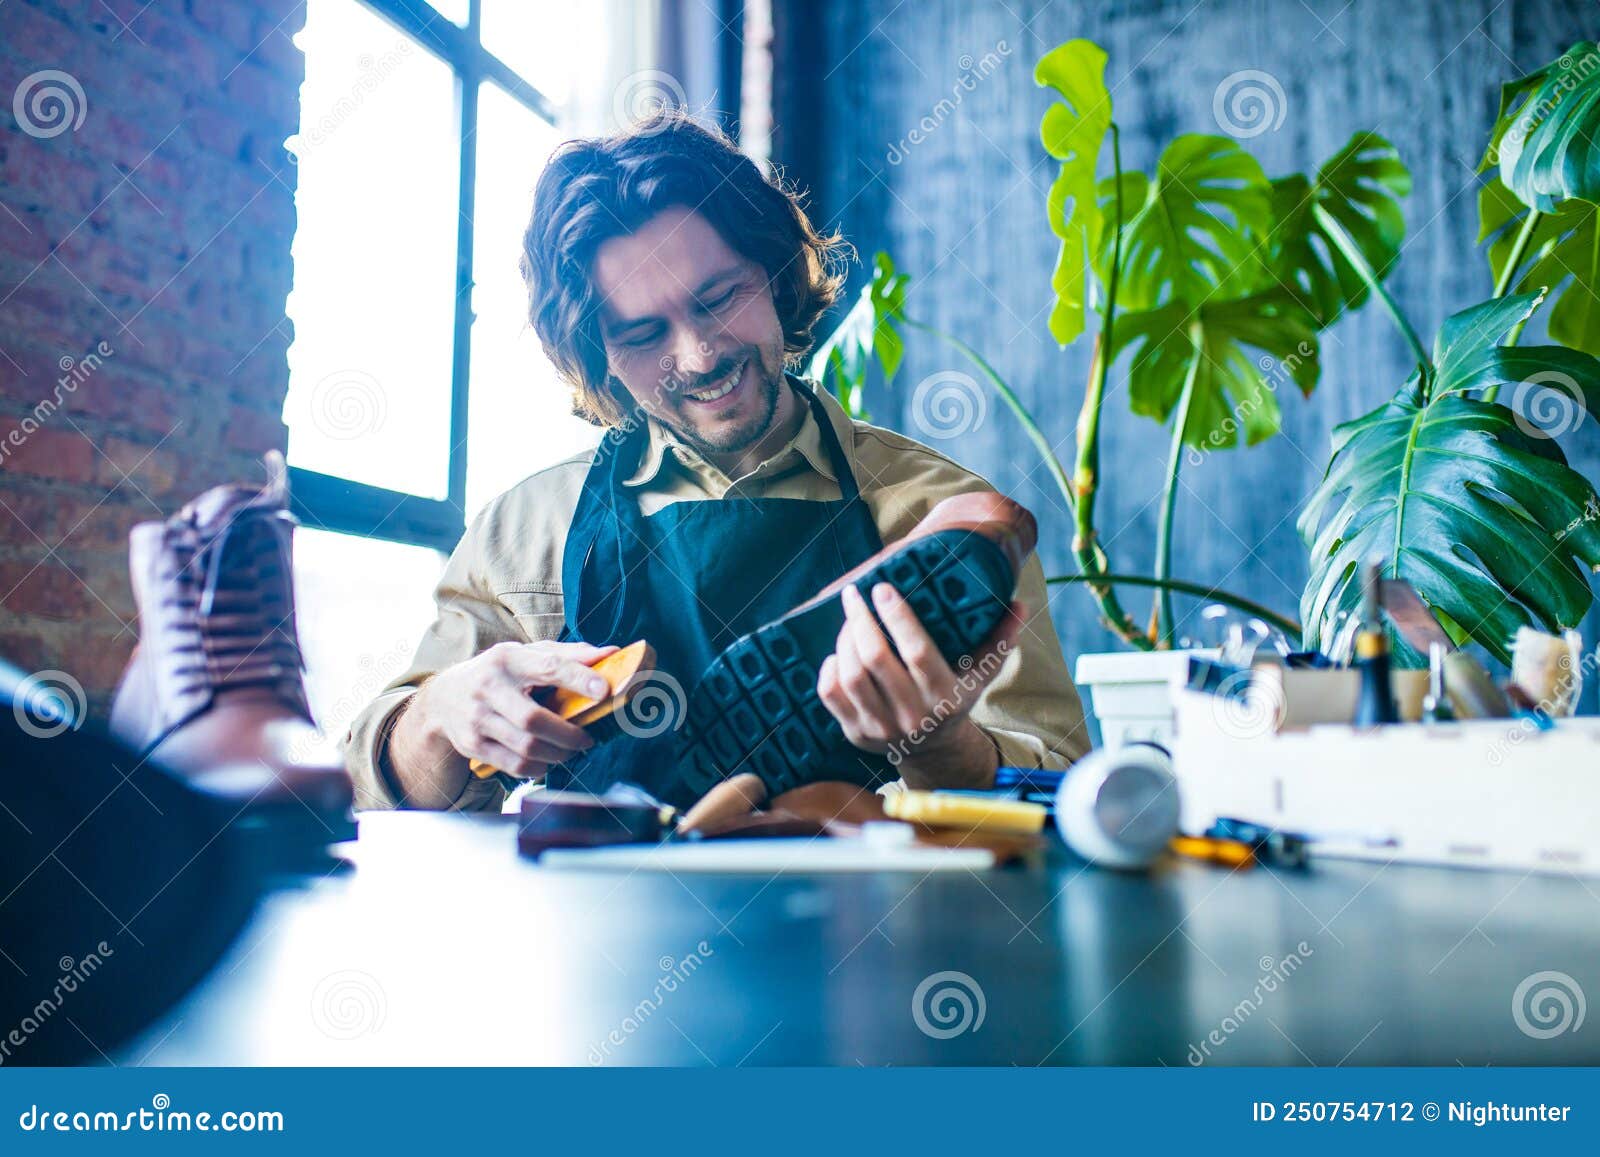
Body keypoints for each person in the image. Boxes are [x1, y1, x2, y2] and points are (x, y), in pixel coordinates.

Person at [344, 112, 1089, 812]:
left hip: (871, 941)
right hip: (600, 944)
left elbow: (1061, 796)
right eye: (642, 334)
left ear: (774, 271)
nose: (700, 357)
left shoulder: (941, 517)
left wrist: (944, 747)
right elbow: (374, 799)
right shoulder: (527, 530)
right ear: (596, 357)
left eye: (720, 296)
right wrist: (440, 715)